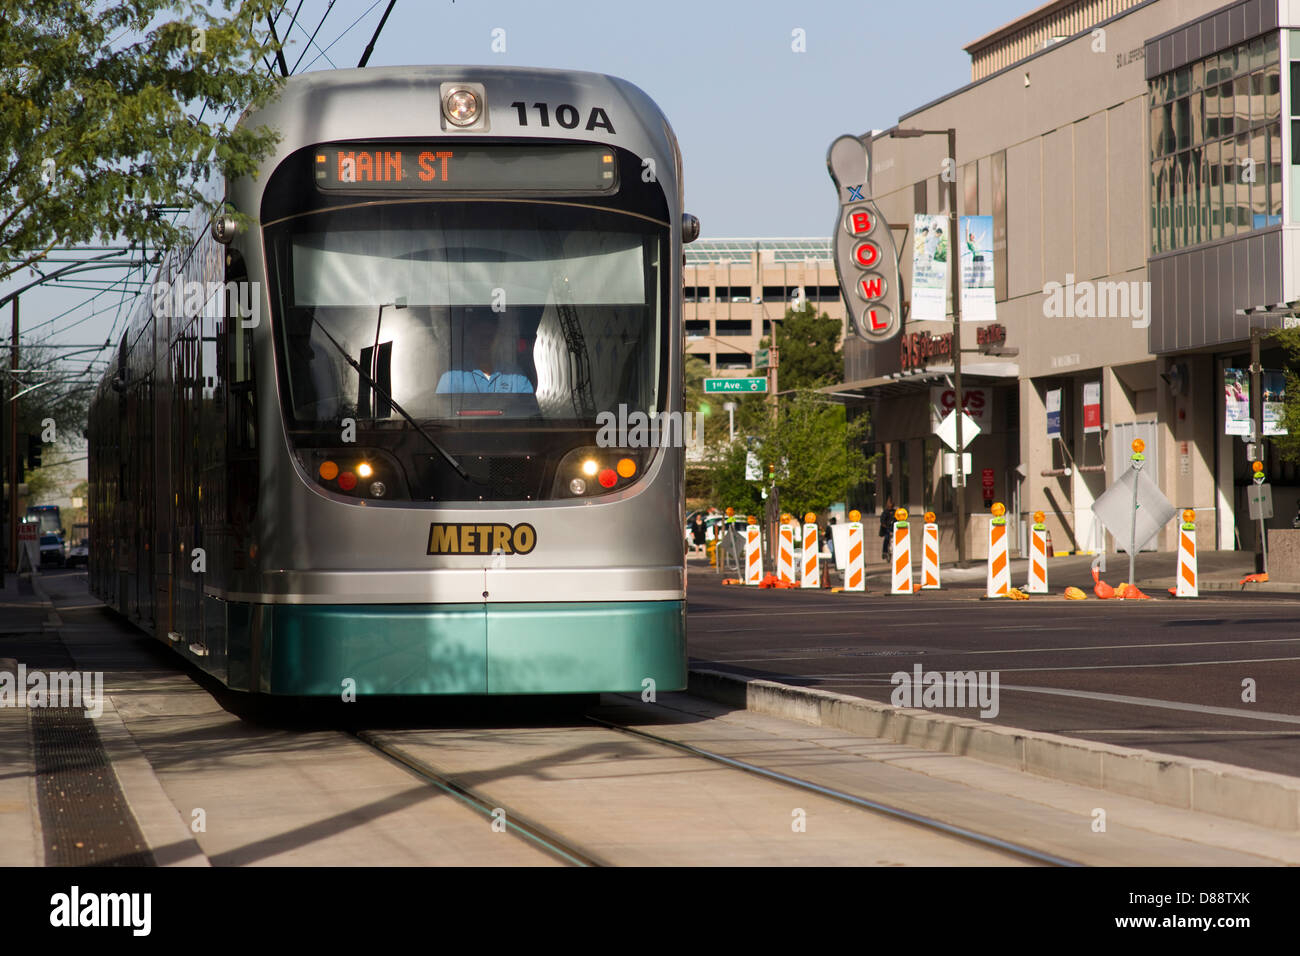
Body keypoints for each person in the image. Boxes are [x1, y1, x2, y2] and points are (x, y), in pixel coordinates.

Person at [436, 319, 534, 394]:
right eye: (480, 337)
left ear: (498, 340)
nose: (485, 342)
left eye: (490, 337)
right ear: (471, 340)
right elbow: (444, 414)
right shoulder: (453, 377)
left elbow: (529, 413)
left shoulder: (515, 375)